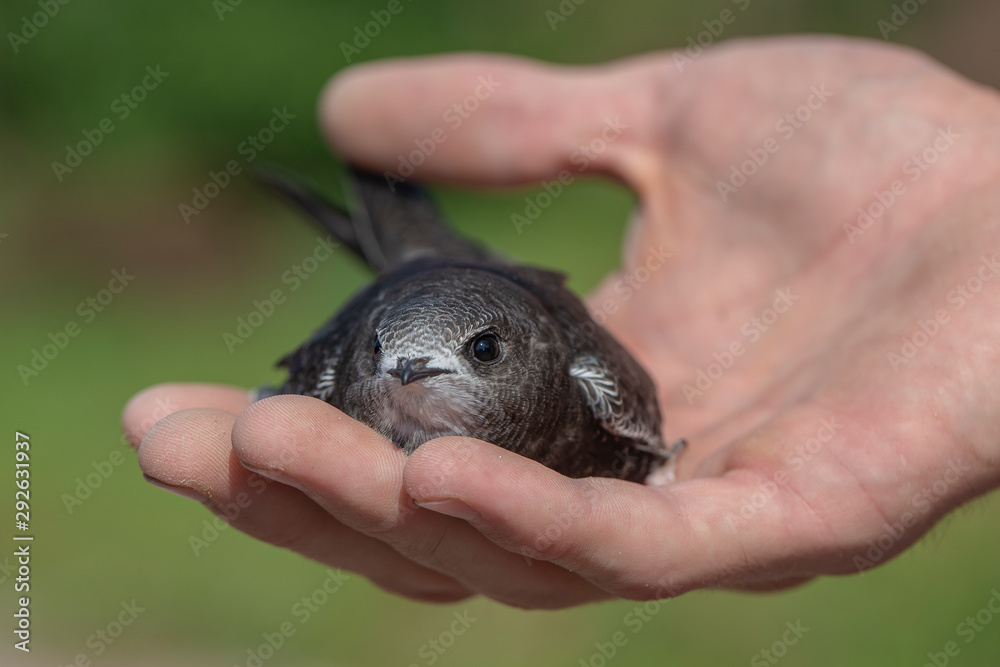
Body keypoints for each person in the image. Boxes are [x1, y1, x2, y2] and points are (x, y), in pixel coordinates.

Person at [123, 35, 1000, 609]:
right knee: (311, 401)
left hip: (472, 286)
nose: (403, 376)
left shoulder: (587, 377)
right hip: (420, 274)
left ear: (522, 353)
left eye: (473, 355)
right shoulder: (360, 364)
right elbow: (389, 353)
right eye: (391, 361)